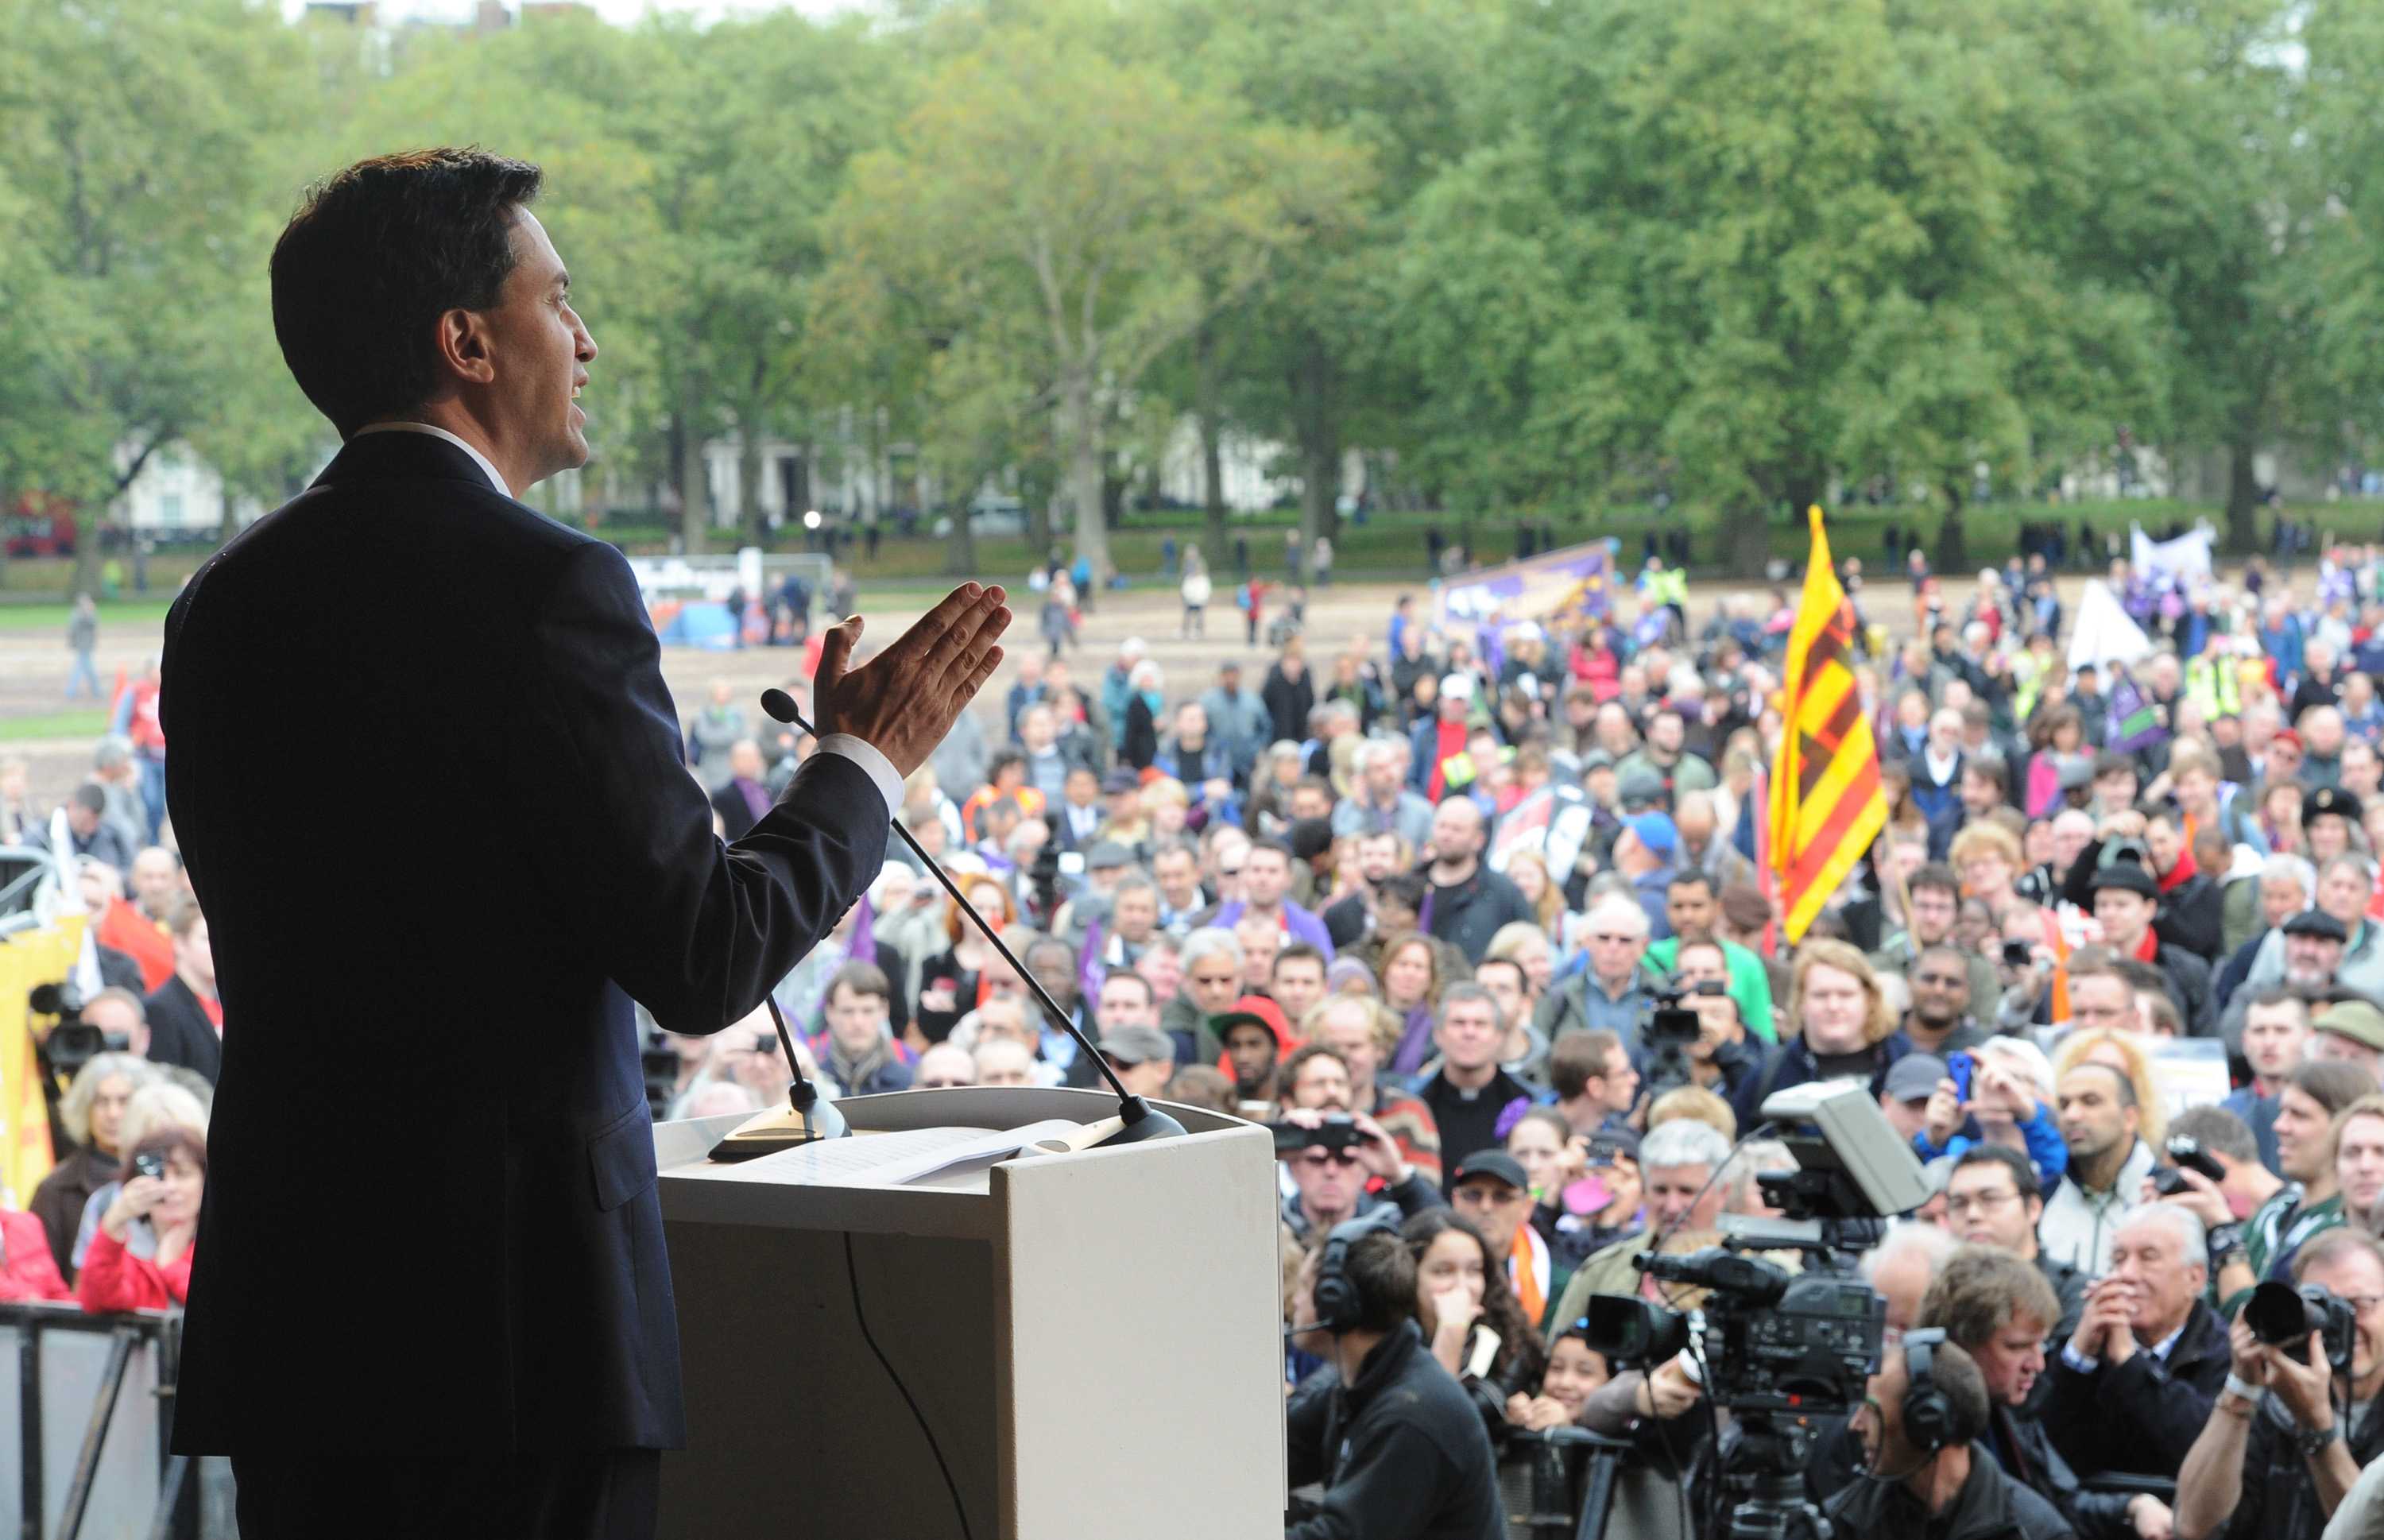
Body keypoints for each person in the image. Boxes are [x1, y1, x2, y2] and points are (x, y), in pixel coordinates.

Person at [167, 149, 1007, 1535]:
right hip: (513, 1337)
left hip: (300, 1322)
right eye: (560, 299)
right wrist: (865, 762)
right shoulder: (547, 587)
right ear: (468, 343)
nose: (588, 335)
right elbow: (703, 952)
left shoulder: (222, 603)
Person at [1918, 1244, 2167, 1539]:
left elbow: (2064, 1501)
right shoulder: (1923, 1430)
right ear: (1960, 1345)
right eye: (2017, 1347)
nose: (2036, 1364)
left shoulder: (2011, 1414)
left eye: (2040, 1345)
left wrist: (2133, 1506)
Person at [1283, 1225, 1504, 1540]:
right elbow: (1267, 1458)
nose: (1296, 1300)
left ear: (1335, 1304)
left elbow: (1342, 1536)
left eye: (1305, 1287)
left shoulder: (1413, 1413)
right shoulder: (1362, 1386)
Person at [2173, 1229, 2384, 1540]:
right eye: (2321, 1306)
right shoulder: (2279, 1399)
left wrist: (2316, 1429)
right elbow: (2193, 1527)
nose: (2341, 1322)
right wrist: (2242, 1388)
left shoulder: (2297, 1406)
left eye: (2359, 1305)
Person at [2042, 1206, 2231, 1481]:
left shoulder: (2225, 1351)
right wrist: (2077, 1358)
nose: (2127, 1274)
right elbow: (2050, 1452)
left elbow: (2204, 1454)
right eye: (2118, 1260)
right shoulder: (2096, 1344)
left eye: (2148, 1258)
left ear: (2195, 1278)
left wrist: (2130, 1363)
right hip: (2096, 1513)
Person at [1829, 1330, 2073, 1540]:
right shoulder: (1846, 1518)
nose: (1856, 1425)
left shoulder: (2037, 1532)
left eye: (1872, 1411)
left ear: (1927, 1423)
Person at [29, 1051, 154, 1282]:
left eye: (124, 1101)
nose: (113, 1114)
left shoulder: (170, 1176)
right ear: (85, 1108)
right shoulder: (56, 1188)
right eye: (101, 1102)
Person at [1414, 985, 1543, 1180]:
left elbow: (1539, 1184)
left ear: (1499, 1035)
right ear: (1438, 1035)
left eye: (1480, 1024)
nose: (1469, 1032)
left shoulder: (1531, 1105)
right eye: (1458, 1023)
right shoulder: (1413, 1104)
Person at [2039, 1061, 2158, 1275]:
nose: (2072, 1115)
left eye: (2090, 1102)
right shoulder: (2043, 1198)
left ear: (2130, 1118)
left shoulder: (2168, 1195)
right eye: (2064, 1105)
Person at [78, 1124, 205, 1314]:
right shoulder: (129, 1245)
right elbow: (98, 1301)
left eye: (182, 1174)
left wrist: (171, 1267)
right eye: (159, 1175)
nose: (169, 1187)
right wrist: (113, 1222)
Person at [141, 896, 223, 1083]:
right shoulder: (161, 1008)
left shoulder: (220, 1001)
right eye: (205, 939)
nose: (215, 947)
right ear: (179, 944)